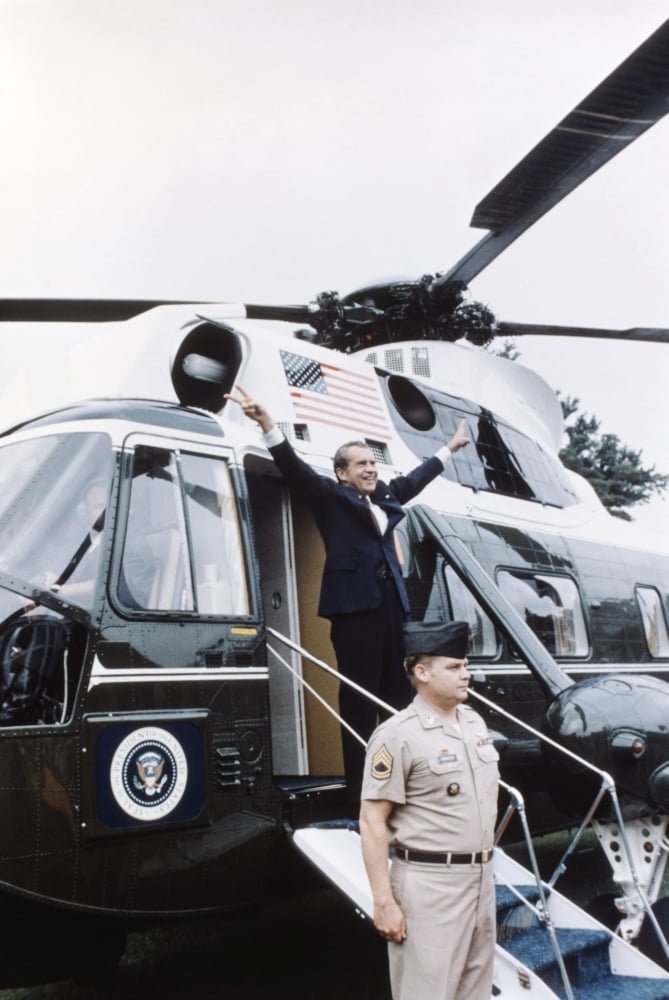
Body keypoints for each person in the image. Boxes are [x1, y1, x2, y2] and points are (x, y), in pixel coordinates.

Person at [225, 385, 470, 801]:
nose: (370, 469)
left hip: (394, 608)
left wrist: (449, 449)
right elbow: (293, 467)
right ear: (342, 472)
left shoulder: (387, 497)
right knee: (359, 698)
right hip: (355, 610)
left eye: (372, 463)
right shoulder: (329, 496)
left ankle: (404, 787)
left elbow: (415, 479)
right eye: (361, 464)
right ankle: (362, 793)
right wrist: (266, 423)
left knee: (398, 697)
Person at [359, 620, 499, 1000]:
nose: (465, 674)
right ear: (421, 672)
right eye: (454, 667)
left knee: (475, 991)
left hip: (481, 881)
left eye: (466, 665)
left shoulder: (474, 723)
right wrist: (384, 902)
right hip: (430, 886)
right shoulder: (396, 735)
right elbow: (372, 821)